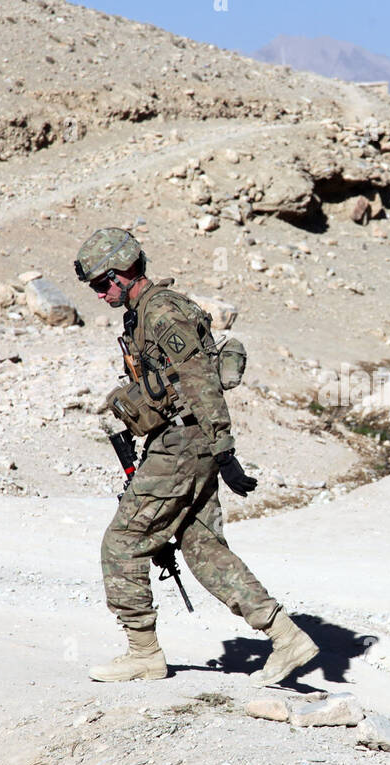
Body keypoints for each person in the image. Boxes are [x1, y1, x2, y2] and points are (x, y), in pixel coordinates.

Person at [73, 227, 318, 687]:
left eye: (104, 282)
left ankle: (143, 653)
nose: (101, 293)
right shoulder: (141, 315)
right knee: (201, 547)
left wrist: (224, 451)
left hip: (187, 443)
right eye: (95, 287)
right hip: (182, 441)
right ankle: (286, 637)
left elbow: (200, 380)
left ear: (126, 271)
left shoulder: (162, 312)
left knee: (122, 542)